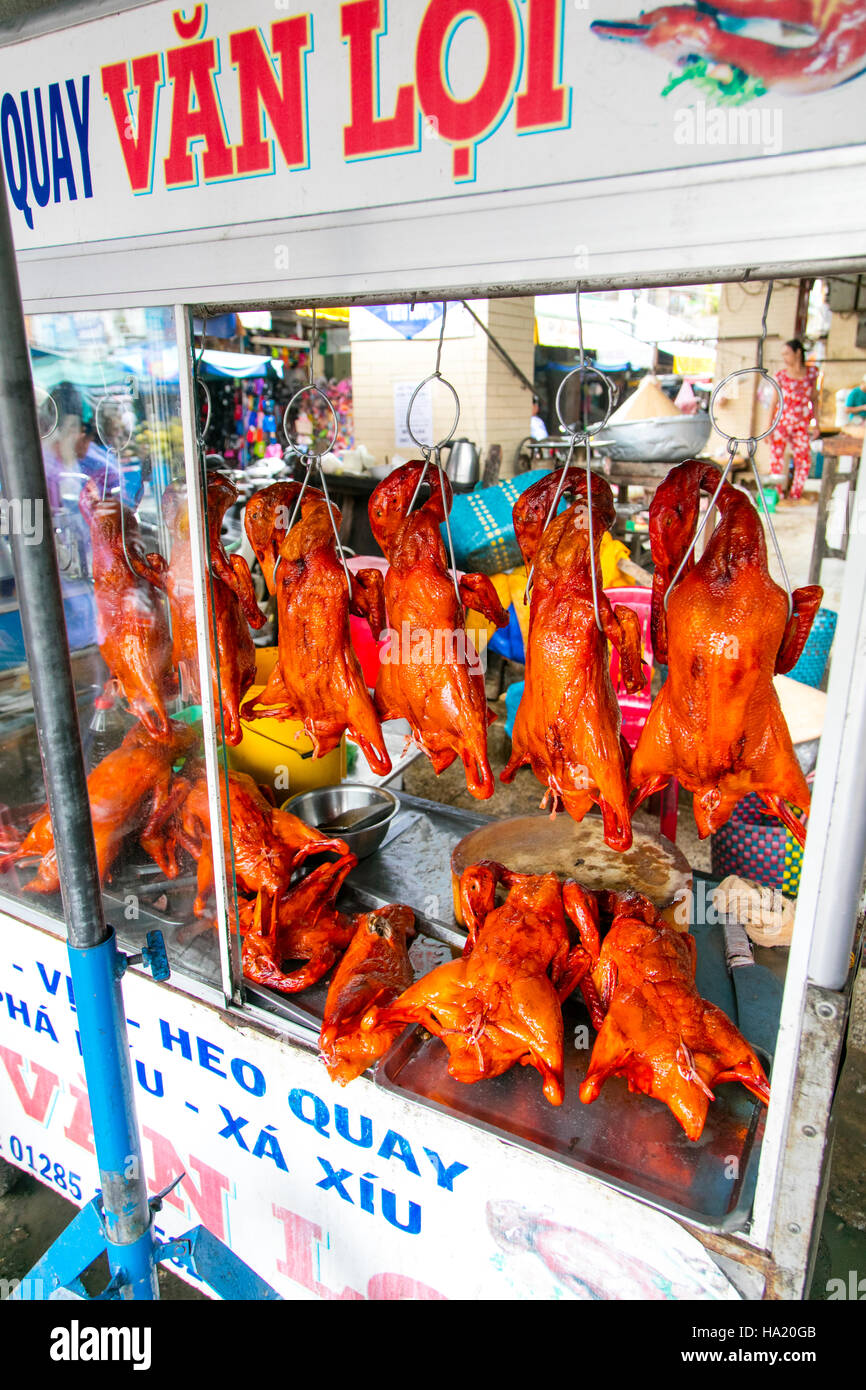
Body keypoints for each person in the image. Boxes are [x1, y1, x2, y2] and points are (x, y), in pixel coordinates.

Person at [768, 340, 820, 502]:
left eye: (787, 353)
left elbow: (815, 401)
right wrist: (769, 427)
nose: (784, 357)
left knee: (804, 459)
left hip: (801, 424)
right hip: (782, 423)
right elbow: (774, 402)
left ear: (798, 353)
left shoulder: (811, 374)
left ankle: (796, 494)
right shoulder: (782, 376)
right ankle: (777, 494)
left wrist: (817, 424)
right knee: (776, 459)